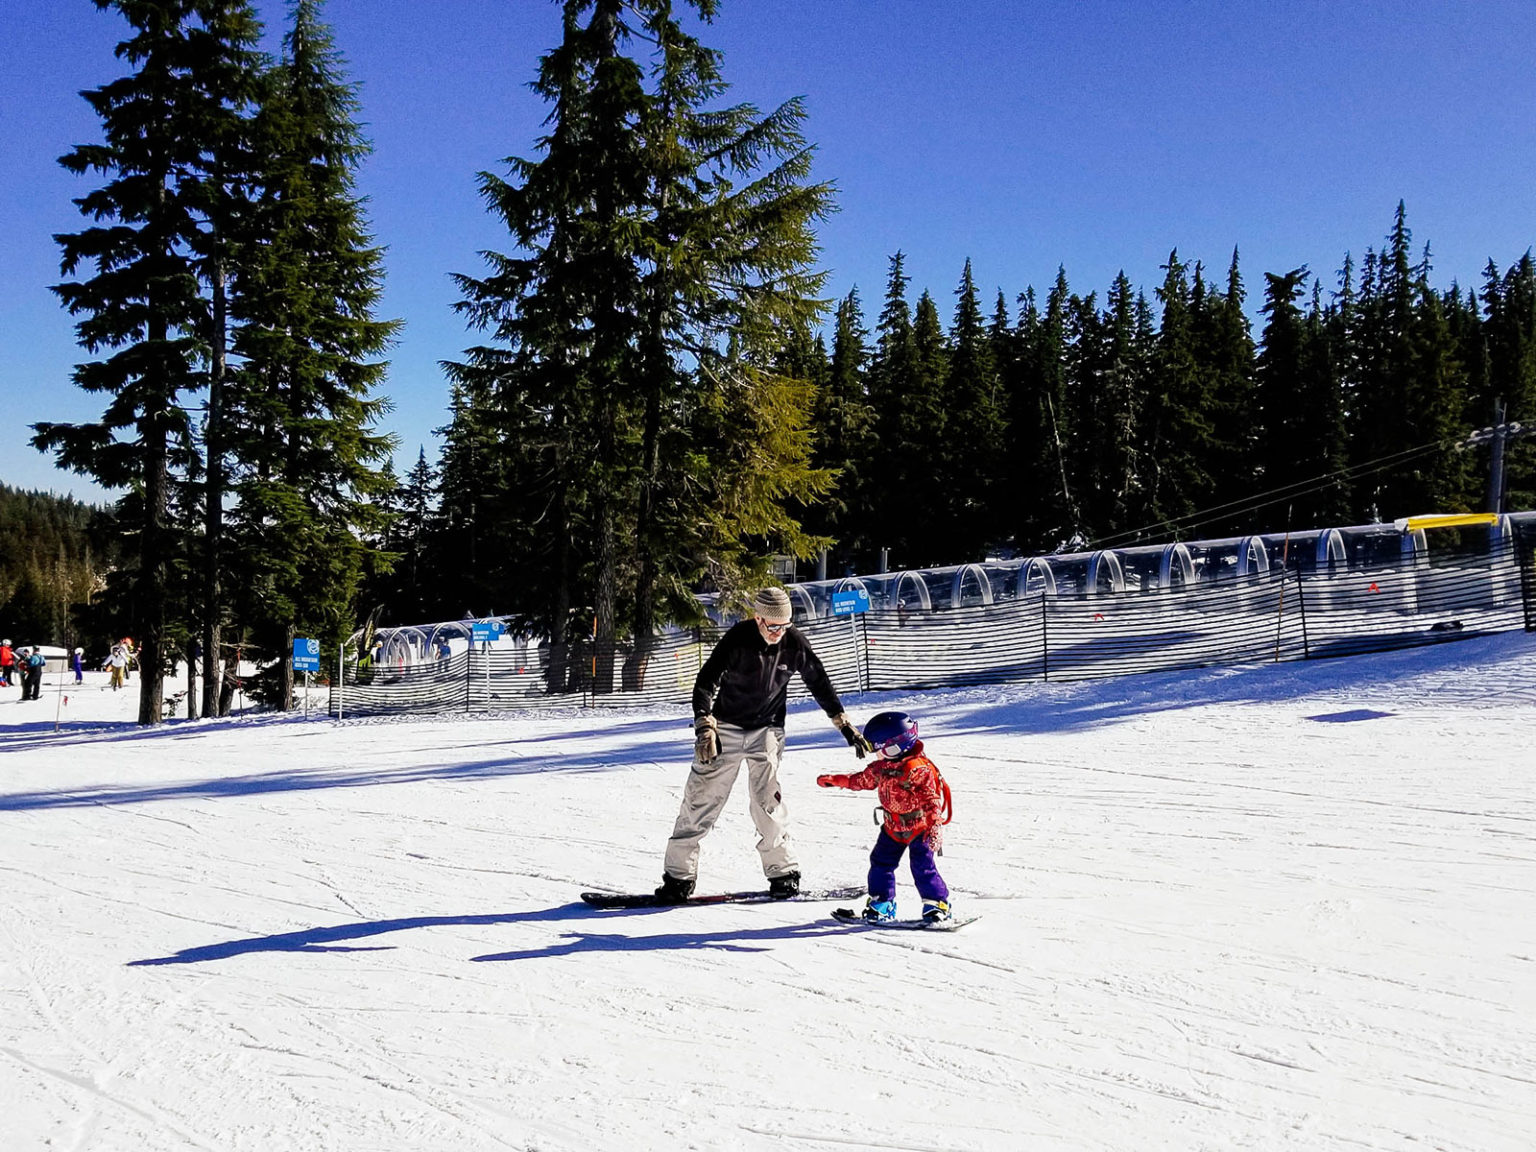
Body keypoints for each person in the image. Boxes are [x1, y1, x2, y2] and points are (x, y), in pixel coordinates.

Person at [656, 586, 872, 903]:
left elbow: (818, 680)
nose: (779, 632)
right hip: (725, 728)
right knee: (700, 801)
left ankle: (783, 873)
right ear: (758, 618)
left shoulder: (793, 641)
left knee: (767, 801)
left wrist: (843, 723)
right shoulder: (738, 639)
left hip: (768, 729)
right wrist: (704, 724)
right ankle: (678, 878)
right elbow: (706, 681)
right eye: (773, 626)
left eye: (785, 625)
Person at [817, 709, 954, 923]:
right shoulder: (883, 767)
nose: (874, 754)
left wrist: (934, 827)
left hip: (920, 829)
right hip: (892, 828)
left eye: (877, 749)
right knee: (880, 863)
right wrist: (836, 780)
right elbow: (861, 780)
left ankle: (937, 905)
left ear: (894, 747)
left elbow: (931, 801)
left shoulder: (918, 770)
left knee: (922, 867)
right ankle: (882, 904)